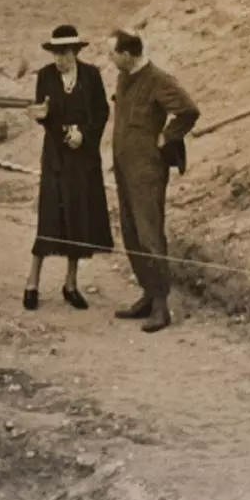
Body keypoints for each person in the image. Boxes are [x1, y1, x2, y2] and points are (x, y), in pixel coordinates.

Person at [108, 29, 200, 332]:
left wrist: (167, 137)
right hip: (124, 167)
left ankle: (161, 306)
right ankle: (148, 294)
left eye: (113, 53)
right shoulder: (124, 77)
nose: (110, 58)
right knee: (131, 233)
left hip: (147, 170)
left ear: (127, 55)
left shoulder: (158, 79)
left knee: (149, 234)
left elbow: (188, 110)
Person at [24, 25, 113, 310]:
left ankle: (71, 283)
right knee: (50, 216)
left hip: (83, 156)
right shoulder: (46, 76)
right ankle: (32, 282)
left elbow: (102, 112)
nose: (59, 60)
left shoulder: (91, 75)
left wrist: (84, 135)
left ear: (75, 52)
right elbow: (44, 114)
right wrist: (43, 118)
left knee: (78, 215)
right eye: (55, 54)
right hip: (56, 155)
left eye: (64, 54)